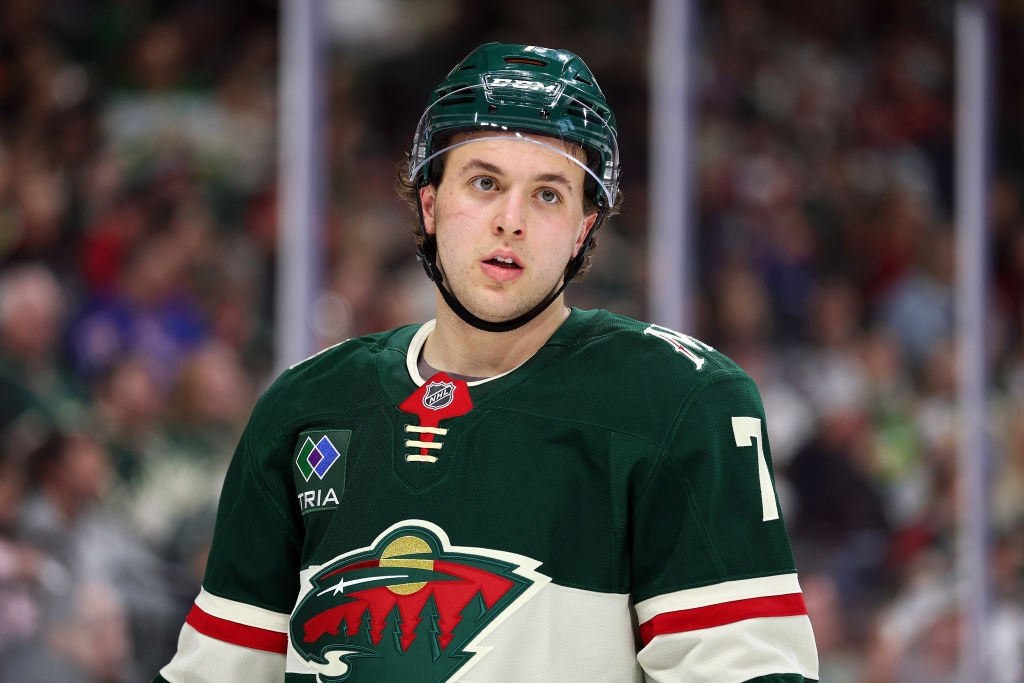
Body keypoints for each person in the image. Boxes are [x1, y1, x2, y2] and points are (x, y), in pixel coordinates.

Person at [155, 42, 819, 682]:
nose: (512, 220)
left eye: (549, 194)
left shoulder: (681, 401)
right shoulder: (305, 405)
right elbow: (220, 671)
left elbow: (749, 672)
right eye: (484, 182)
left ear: (585, 229)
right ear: (430, 202)